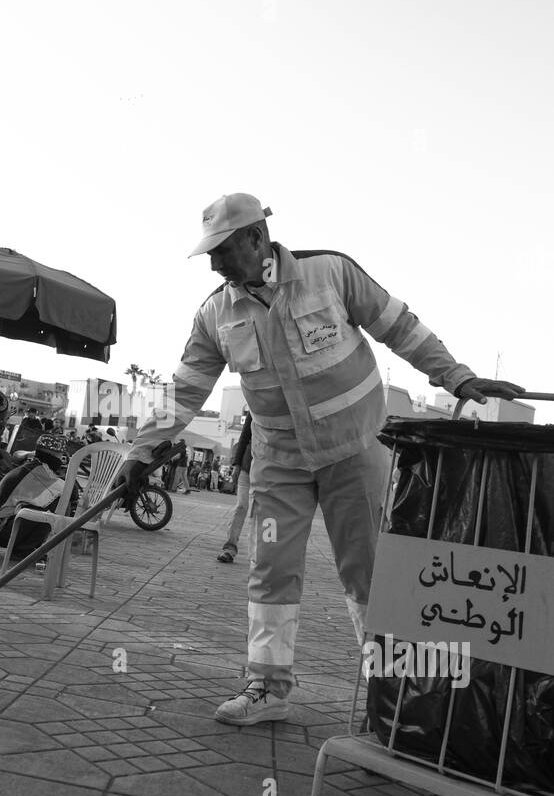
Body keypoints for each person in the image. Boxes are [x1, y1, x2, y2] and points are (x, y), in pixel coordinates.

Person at [118, 193, 523, 726]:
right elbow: (185, 390)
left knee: (371, 574)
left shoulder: (329, 273)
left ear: (257, 237)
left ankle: (393, 699)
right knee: (270, 571)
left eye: (222, 250)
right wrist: (140, 449)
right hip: (279, 461)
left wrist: (457, 376)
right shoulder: (217, 312)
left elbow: (399, 325)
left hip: (355, 453)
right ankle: (267, 687)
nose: (214, 264)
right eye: (209, 254)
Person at [0, 432, 78, 560]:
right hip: (2, 530)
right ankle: (23, 551)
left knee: (47, 505)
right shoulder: (40, 473)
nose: (61, 459)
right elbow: (69, 491)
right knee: (56, 505)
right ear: (53, 455)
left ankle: (25, 548)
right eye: (60, 455)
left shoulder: (32, 468)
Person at [218, 410, 253, 562]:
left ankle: (265, 554)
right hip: (247, 467)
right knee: (241, 507)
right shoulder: (255, 407)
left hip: (271, 472)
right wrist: (237, 465)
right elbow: (244, 437)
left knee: (265, 513)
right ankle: (229, 548)